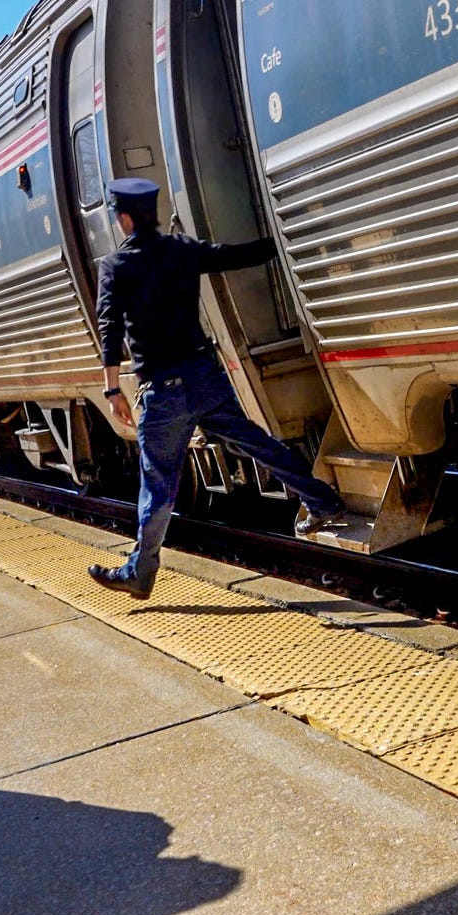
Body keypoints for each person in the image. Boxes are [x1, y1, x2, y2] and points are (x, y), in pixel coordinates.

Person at [87, 178, 346, 600]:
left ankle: (140, 573)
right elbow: (236, 255)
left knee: (158, 484)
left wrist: (112, 390)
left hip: (163, 391)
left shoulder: (116, 266)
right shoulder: (181, 249)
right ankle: (321, 501)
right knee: (256, 443)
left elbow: (110, 329)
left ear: (125, 217)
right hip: (205, 378)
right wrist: (283, 237)